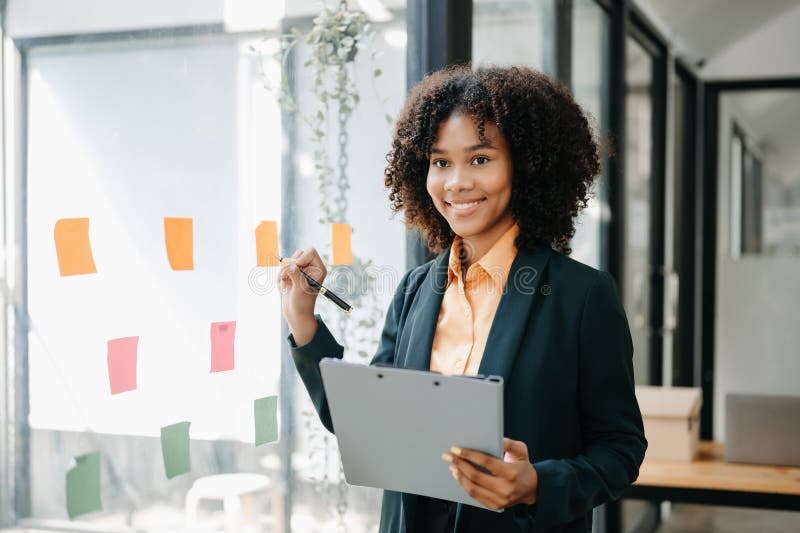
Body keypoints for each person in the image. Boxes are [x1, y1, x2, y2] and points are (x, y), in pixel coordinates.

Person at [278, 65, 647, 533]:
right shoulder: (416, 289)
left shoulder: (583, 296)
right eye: (440, 162)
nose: (455, 183)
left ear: (527, 164)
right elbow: (367, 425)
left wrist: (536, 484)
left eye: (479, 159)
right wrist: (302, 317)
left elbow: (619, 449)